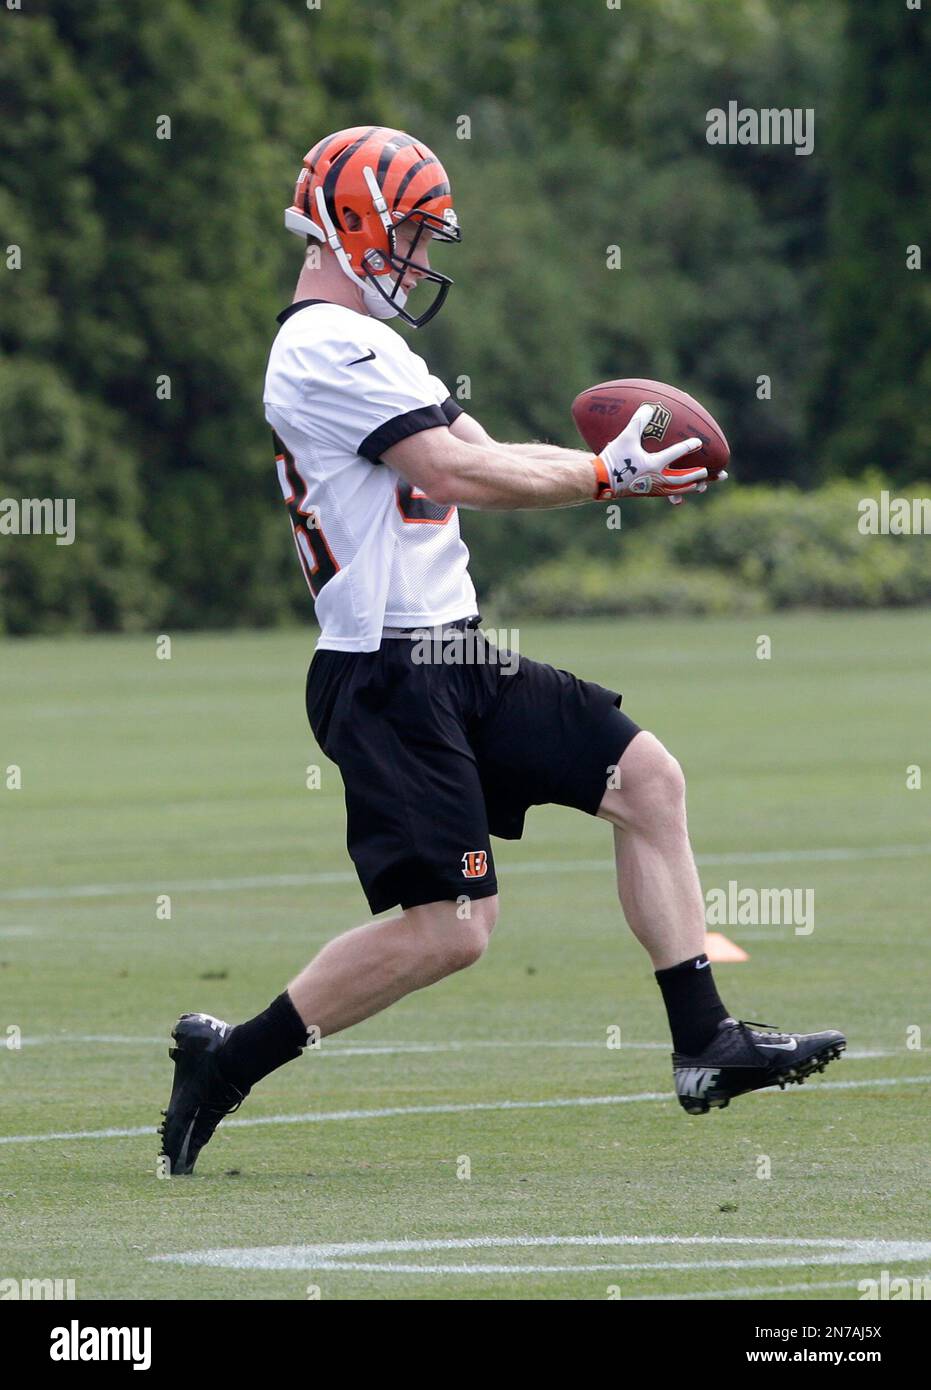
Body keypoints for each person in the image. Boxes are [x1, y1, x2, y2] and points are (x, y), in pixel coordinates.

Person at [159, 126, 844, 1176]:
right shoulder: (320, 346)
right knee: (452, 931)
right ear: (354, 223)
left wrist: (607, 465)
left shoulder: (376, 343)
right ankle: (226, 1061)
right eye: (413, 233)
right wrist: (605, 477)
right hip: (387, 674)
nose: (423, 258)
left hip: (455, 655)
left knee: (646, 779)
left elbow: (480, 455)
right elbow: (454, 469)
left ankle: (703, 1042)